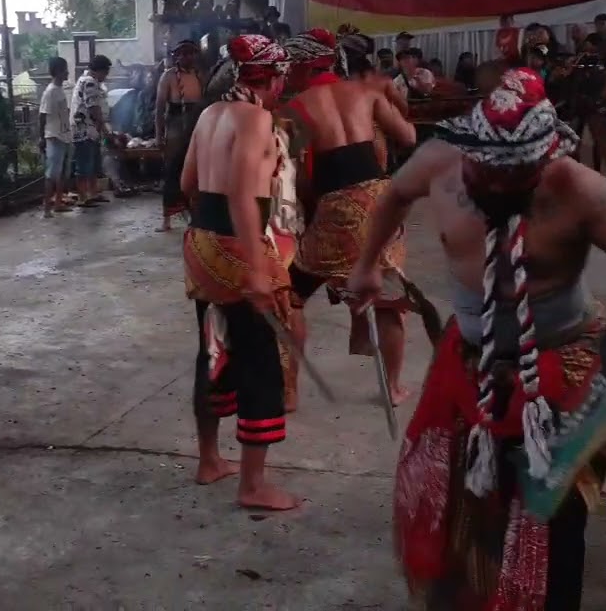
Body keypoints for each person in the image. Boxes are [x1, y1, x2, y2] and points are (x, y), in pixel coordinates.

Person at [347, 67, 606, 610]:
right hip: (470, 362)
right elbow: (394, 195)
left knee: (553, 508)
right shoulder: (441, 161)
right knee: (465, 495)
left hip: (561, 361)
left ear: (545, 159)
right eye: (485, 173)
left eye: (513, 178)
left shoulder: (580, 190)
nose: (493, 186)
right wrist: (367, 264)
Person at [181, 34, 299, 511]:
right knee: (260, 360)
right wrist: (253, 268)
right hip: (236, 244)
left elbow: (189, 182)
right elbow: (240, 194)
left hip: (201, 242)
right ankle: (253, 485)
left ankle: (210, 460)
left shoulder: (210, 114)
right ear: (271, 78)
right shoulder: (258, 119)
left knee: (213, 349)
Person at [282, 32, 417, 405]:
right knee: (387, 299)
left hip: (337, 204)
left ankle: (288, 390)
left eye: (289, 69)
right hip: (382, 200)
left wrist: (311, 212)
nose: (286, 76)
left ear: (303, 67)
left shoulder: (294, 109)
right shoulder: (365, 92)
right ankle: (391, 388)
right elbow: (407, 136)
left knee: (290, 294)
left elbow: (295, 176)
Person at [157, 41, 204, 231]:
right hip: (176, 126)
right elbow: (159, 109)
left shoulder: (201, 75)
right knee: (172, 171)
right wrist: (159, 135)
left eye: (191, 53)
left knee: (198, 172)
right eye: (183, 54)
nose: (187, 57)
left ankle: (196, 216)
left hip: (198, 124)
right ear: (177, 56)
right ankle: (167, 219)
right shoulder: (168, 77)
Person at [71, 55, 113, 208]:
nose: (105, 77)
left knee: (93, 163)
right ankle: (83, 197)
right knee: (84, 164)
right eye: (106, 73)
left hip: (90, 130)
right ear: (100, 71)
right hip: (84, 130)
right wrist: (103, 127)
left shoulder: (88, 80)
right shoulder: (89, 82)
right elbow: (93, 108)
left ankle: (93, 193)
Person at [40, 56, 73, 217]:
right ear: (59, 72)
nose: (67, 72)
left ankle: (58, 203)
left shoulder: (59, 89)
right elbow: (42, 115)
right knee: (52, 173)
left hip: (63, 135)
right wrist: (42, 138)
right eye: (65, 69)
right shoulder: (51, 91)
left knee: (59, 173)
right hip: (54, 136)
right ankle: (47, 208)